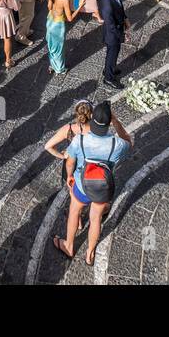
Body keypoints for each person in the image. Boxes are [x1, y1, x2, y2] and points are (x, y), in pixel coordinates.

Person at [53, 101, 130, 266]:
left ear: (92, 118)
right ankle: (90, 254)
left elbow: (69, 163)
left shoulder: (80, 140)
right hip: (103, 187)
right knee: (95, 219)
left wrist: (69, 177)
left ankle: (69, 245)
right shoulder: (117, 144)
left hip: (82, 184)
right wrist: (116, 122)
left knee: (74, 212)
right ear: (109, 122)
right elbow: (128, 141)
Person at [99, 0, 128, 89]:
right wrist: (122, 37)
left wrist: (125, 18)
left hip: (116, 30)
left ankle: (109, 69)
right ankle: (108, 78)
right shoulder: (108, 6)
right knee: (112, 54)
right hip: (112, 35)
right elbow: (111, 26)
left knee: (113, 54)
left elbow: (120, 9)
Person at [46, 0, 75, 75]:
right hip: (58, 26)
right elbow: (70, 18)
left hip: (50, 21)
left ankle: (52, 65)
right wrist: (80, 6)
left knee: (52, 46)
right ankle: (60, 69)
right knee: (59, 48)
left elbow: (49, 8)